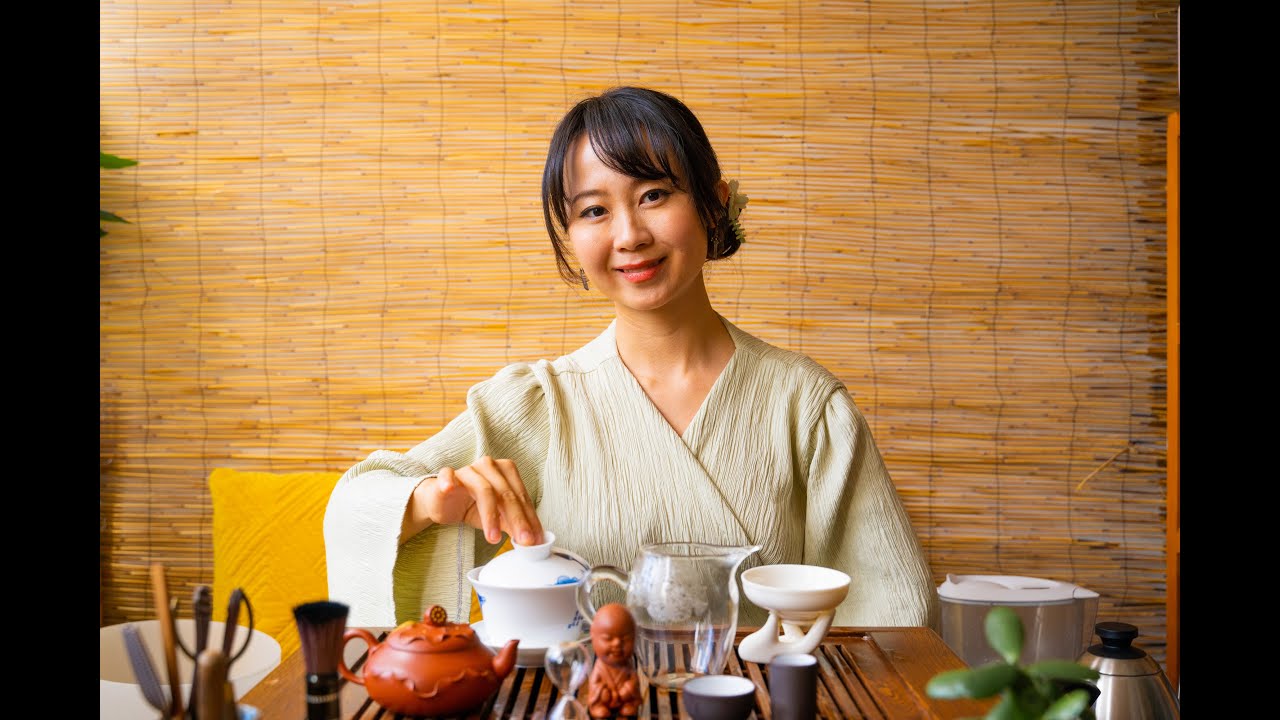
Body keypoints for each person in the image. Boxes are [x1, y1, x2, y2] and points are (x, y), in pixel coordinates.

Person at [323, 86, 937, 632]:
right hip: (581, 700)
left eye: (654, 195)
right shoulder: (539, 404)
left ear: (714, 203)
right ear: (571, 236)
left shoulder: (806, 405)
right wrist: (431, 499)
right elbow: (359, 499)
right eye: (594, 210)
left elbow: (895, 613)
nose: (629, 235)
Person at [587, 603, 640, 718]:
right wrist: (601, 691)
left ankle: (628, 704)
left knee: (629, 702)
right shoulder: (599, 667)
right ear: (593, 638)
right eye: (608, 639)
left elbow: (634, 681)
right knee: (601, 697)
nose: (617, 643)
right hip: (606, 698)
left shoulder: (628, 666)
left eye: (625, 639)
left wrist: (628, 689)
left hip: (624, 697)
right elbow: (594, 684)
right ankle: (598, 706)